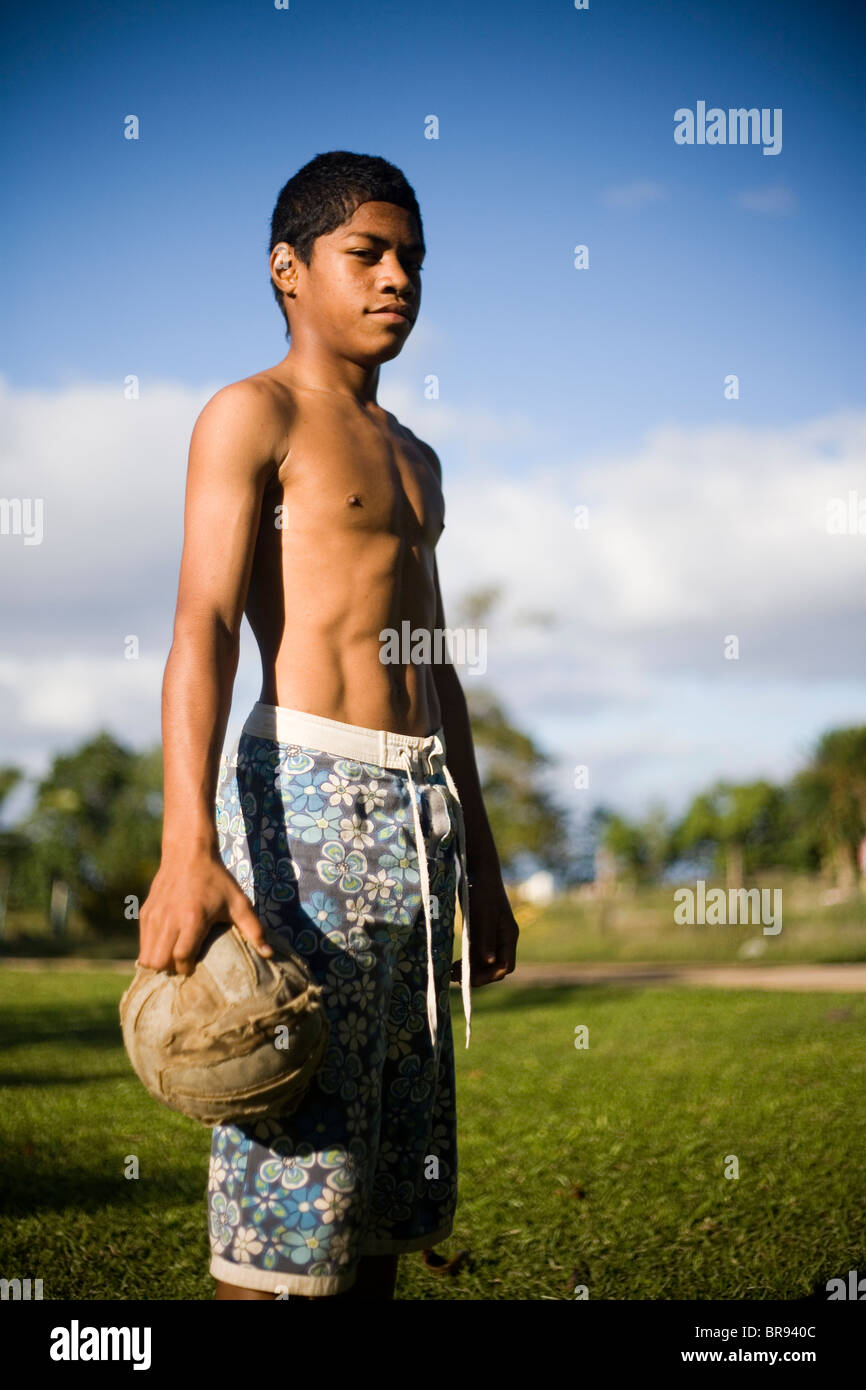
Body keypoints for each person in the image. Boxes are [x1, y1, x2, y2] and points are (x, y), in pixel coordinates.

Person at [137, 150, 519, 1300]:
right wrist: (183, 845)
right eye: (368, 253)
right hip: (303, 800)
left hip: (419, 819)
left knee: (380, 1203)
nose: (397, 277)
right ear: (289, 269)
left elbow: (432, 666)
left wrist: (483, 869)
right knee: (287, 1161)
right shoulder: (250, 413)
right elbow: (201, 622)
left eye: (409, 258)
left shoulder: (417, 458)